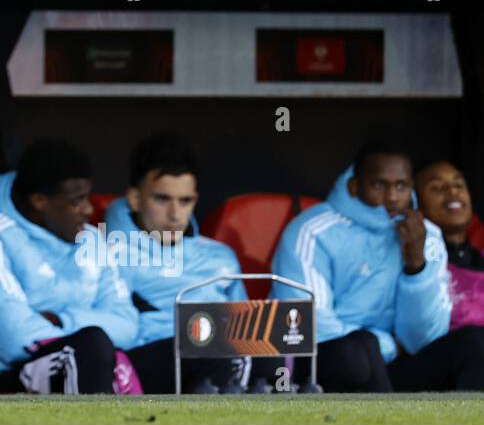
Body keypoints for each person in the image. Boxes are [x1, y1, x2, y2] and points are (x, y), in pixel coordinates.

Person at [272, 142, 484, 392]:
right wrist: (388, 345)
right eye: (379, 185)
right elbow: (308, 326)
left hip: (391, 369)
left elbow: (424, 339)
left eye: (401, 186)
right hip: (327, 361)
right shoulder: (313, 230)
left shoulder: (428, 236)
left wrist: (416, 266)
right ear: (354, 186)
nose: (393, 197)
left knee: (474, 342)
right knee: (360, 348)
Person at [0, 140, 139, 394]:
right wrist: (86, 337)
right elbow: (16, 338)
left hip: (87, 359)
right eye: (77, 201)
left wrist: (62, 319)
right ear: (39, 200)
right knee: (93, 346)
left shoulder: (90, 238)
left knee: (183, 353)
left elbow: (128, 323)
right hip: (1, 376)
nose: (89, 209)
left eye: (88, 197)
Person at [104, 132, 271, 394]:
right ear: (135, 199)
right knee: (219, 354)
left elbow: (246, 327)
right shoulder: (106, 253)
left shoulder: (220, 256)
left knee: (273, 349)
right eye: (162, 199)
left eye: (185, 201)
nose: (174, 214)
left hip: (219, 356)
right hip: (144, 361)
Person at [416, 160, 484, 330]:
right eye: (437, 188)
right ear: (417, 204)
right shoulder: (414, 265)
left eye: (459, 184)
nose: (453, 191)